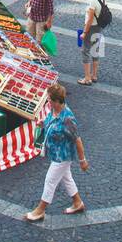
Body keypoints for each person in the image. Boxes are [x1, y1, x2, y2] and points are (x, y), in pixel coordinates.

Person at [24, 83, 88, 222]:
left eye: (49, 99)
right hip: (55, 154)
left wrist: (82, 161)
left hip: (63, 156)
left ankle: (40, 210)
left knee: (50, 180)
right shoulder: (54, 110)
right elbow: (51, 120)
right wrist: (43, 123)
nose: (48, 101)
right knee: (66, 178)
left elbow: (77, 140)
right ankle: (78, 202)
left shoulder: (67, 119)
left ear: (57, 101)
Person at [78, 0, 105, 84]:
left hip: (91, 28)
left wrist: (84, 33)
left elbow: (89, 19)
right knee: (95, 50)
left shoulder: (93, 1)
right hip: (98, 27)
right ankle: (94, 75)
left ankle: (87, 78)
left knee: (85, 51)